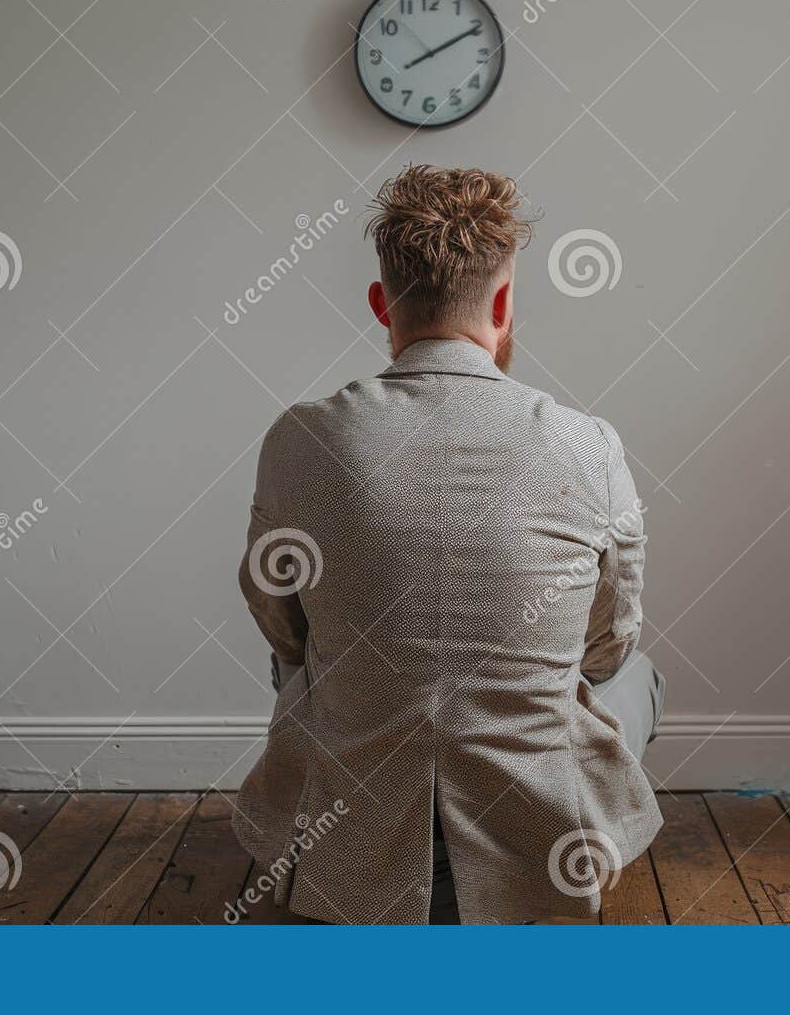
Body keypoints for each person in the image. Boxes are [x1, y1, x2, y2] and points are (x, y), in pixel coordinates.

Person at [232, 164, 664, 924]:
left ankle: (358, 866)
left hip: (354, 812)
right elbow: (609, 644)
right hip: (533, 835)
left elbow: (282, 628)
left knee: (307, 662)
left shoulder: (298, 440)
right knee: (640, 673)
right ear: (502, 304)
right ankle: (540, 869)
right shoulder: (589, 445)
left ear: (380, 305)